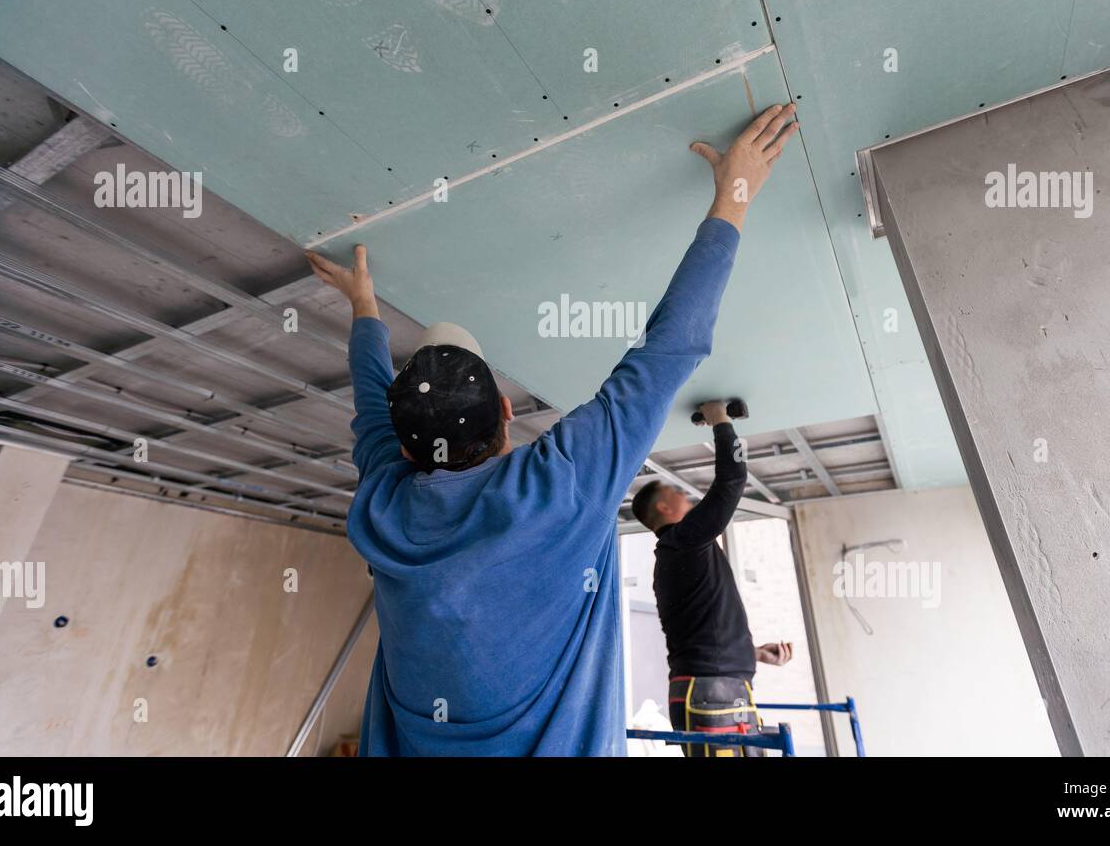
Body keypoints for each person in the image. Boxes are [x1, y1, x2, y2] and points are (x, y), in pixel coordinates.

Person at [305, 103, 798, 756]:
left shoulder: (519, 490)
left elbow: (669, 353)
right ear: (506, 410)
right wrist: (363, 303)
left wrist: (736, 193)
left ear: (403, 448)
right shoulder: (512, 487)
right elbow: (372, 403)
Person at [631, 400, 794, 756]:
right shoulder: (683, 541)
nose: (687, 496)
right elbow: (732, 480)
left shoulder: (679, 551)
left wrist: (750, 655)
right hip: (711, 690)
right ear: (663, 508)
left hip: (716, 687)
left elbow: (700, 630)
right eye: (678, 494)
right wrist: (719, 417)